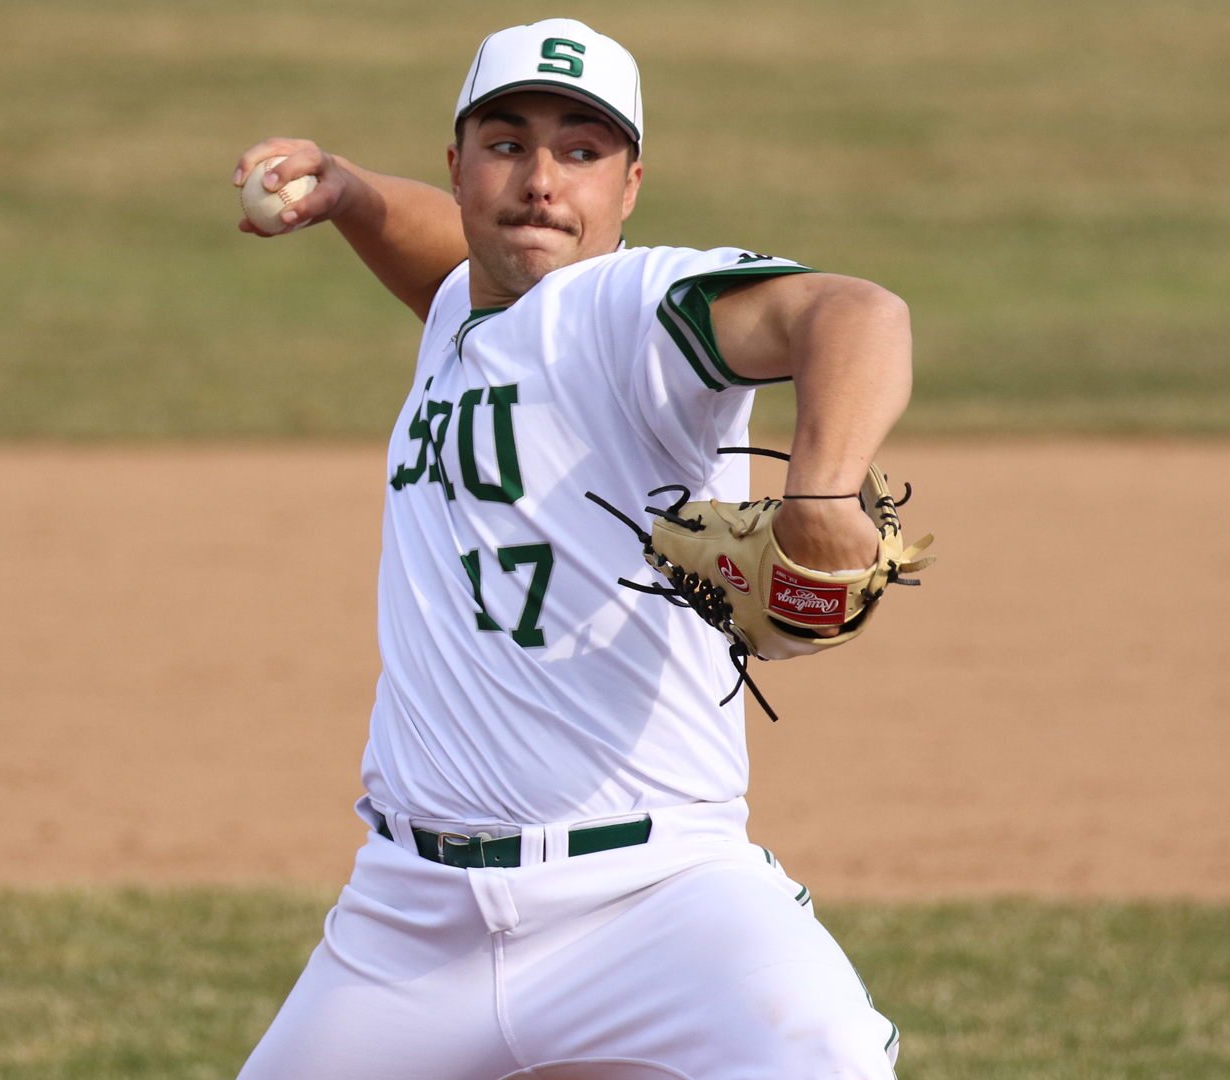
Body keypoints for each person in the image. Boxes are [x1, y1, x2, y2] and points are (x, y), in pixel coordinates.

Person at [231, 19, 910, 1080]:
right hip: (409, 923)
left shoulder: (629, 308)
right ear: (455, 167)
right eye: (507, 144)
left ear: (630, 186)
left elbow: (853, 310)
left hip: (653, 900)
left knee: (828, 1060)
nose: (542, 180)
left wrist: (820, 491)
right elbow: (445, 263)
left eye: (582, 152)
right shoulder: (469, 305)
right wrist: (352, 194)